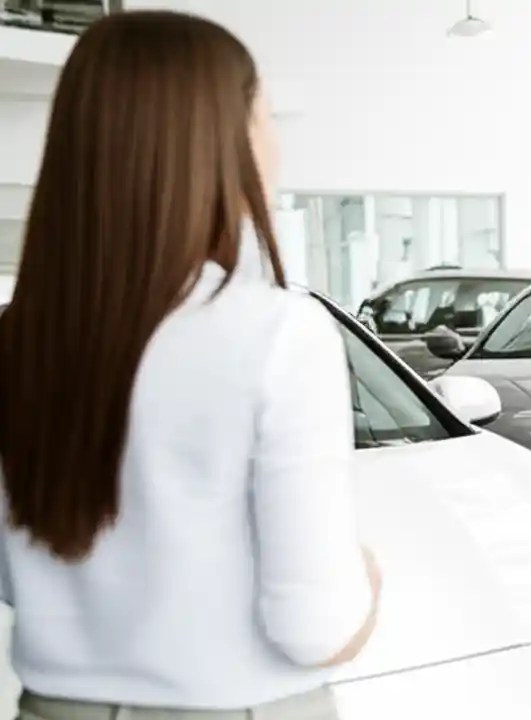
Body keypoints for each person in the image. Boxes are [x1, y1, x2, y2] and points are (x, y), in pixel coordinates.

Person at [0, 11, 380, 719]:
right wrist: (370, 582)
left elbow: (18, 578)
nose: (275, 144)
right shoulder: (277, 331)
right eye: (265, 115)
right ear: (220, 138)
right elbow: (315, 629)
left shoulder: (18, 338)